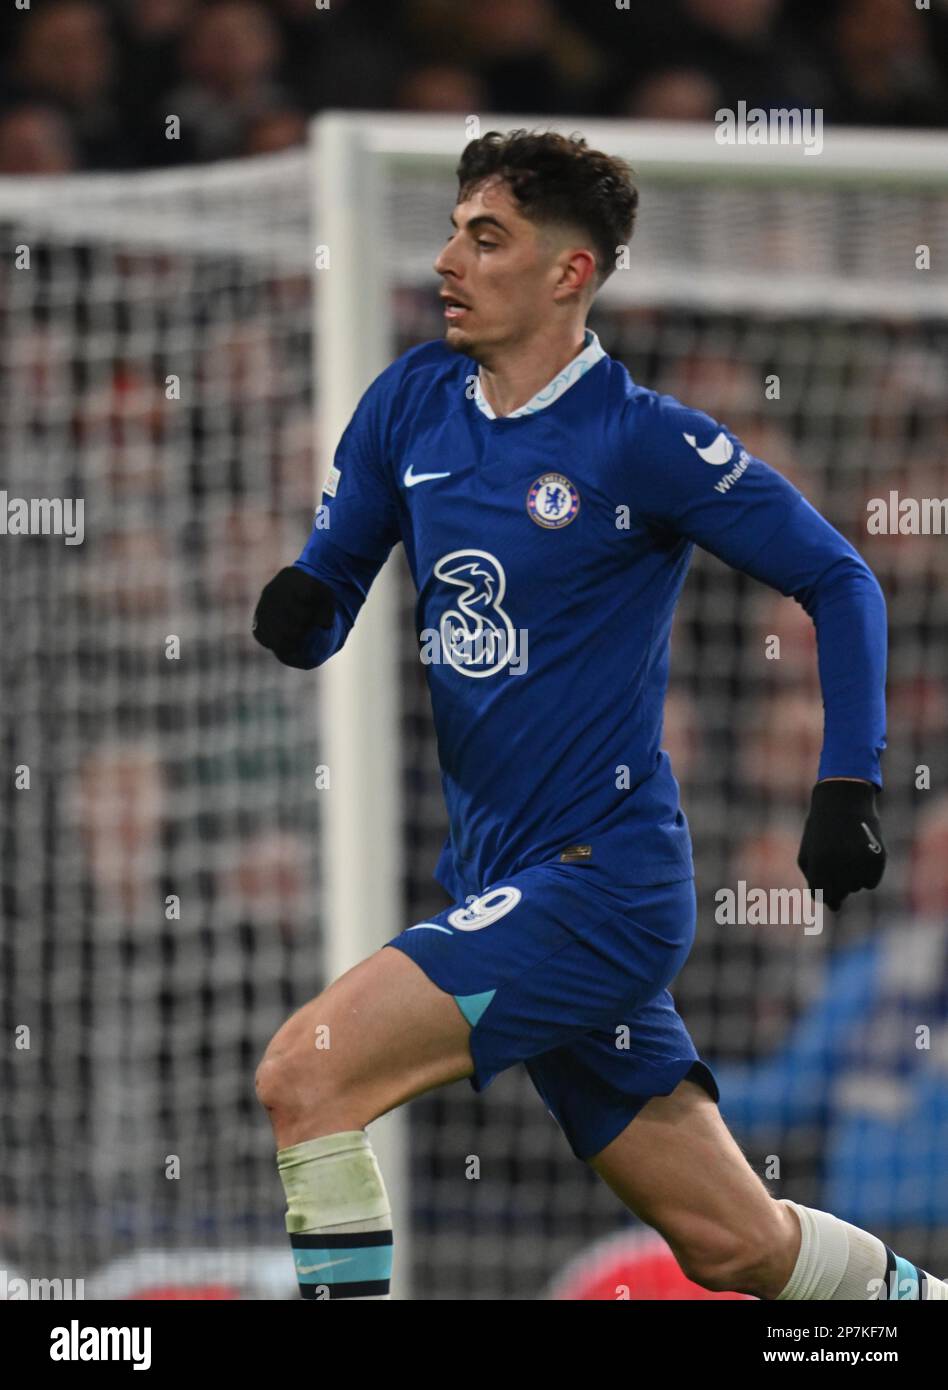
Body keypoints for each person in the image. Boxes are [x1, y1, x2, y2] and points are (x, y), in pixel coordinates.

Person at [251, 129, 936, 1302]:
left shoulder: (641, 439)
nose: (447, 260)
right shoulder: (412, 400)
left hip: (601, 884)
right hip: (499, 876)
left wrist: (847, 785)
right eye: (454, 230)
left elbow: (840, 580)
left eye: (486, 237)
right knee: (737, 1246)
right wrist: (303, 605)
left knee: (305, 1073)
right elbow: (330, 588)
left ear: (570, 273)